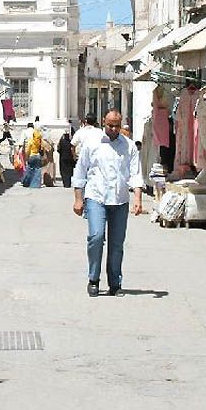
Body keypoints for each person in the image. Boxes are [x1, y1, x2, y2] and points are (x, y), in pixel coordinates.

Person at [72, 110, 143, 297]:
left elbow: (135, 173)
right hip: (96, 197)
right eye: (110, 125)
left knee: (116, 243)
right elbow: (80, 171)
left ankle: (115, 283)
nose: (113, 129)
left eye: (117, 126)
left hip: (120, 200)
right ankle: (93, 279)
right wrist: (78, 199)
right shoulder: (92, 144)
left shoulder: (129, 146)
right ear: (104, 122)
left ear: (121, 125)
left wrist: (137, 198)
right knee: (96, 237)